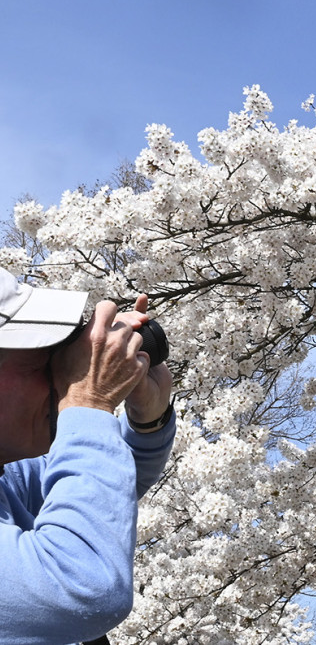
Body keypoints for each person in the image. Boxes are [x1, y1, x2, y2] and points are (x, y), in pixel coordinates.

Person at [0, 266, 176, 644]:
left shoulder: (6, 480)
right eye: (40, 354)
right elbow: (81, 583)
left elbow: (94, 488)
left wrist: (148, 418)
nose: (62, 372)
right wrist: (89, 401)